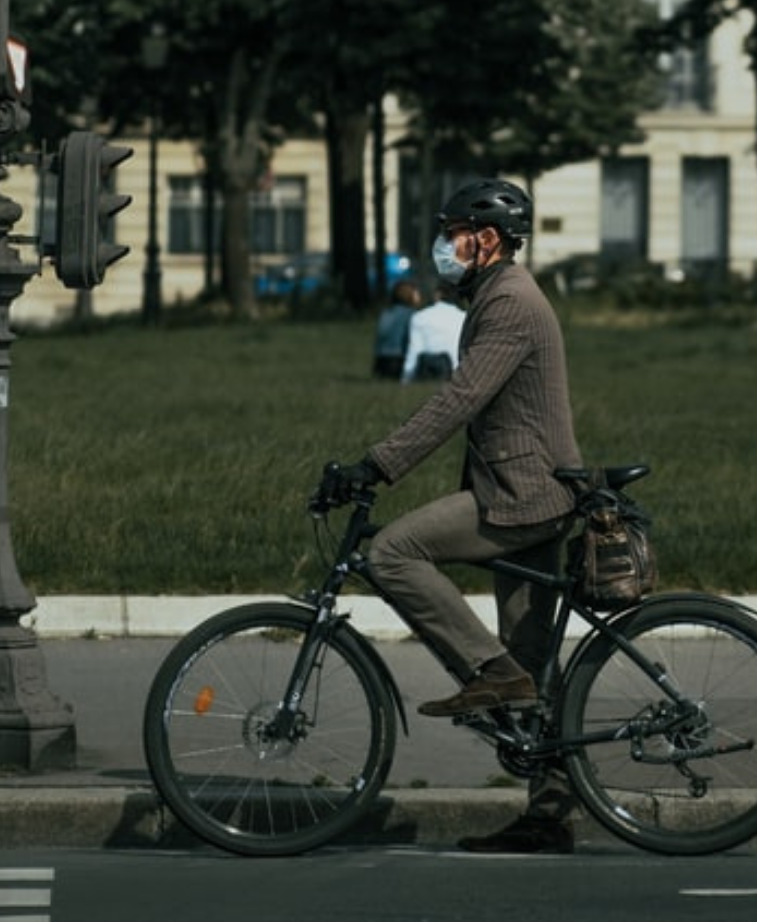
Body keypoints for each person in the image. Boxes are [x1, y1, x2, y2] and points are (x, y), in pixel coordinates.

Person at [329, 179, 583, 854]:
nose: (442, 246)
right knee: (531, 665)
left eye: (452, 234)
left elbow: (458, 399)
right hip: (531, 490)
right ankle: (548, 815)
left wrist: (375, 465)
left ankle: (485, 671)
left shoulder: (510, 303)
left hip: (520, 495)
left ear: (487, 240)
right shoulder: (498, 295)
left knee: (394, 553)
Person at [401, 281, 465, 383]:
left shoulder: (420, 316)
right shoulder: (464, 318)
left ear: (437, 295)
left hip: (427, 372)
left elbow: (414, 350)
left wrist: (405, 378)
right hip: (457, 374)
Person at [373, 280, 421, 379]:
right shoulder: (411, 314)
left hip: (380, 362)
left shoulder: (386, 313)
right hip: (398, 362)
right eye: (416, 293)